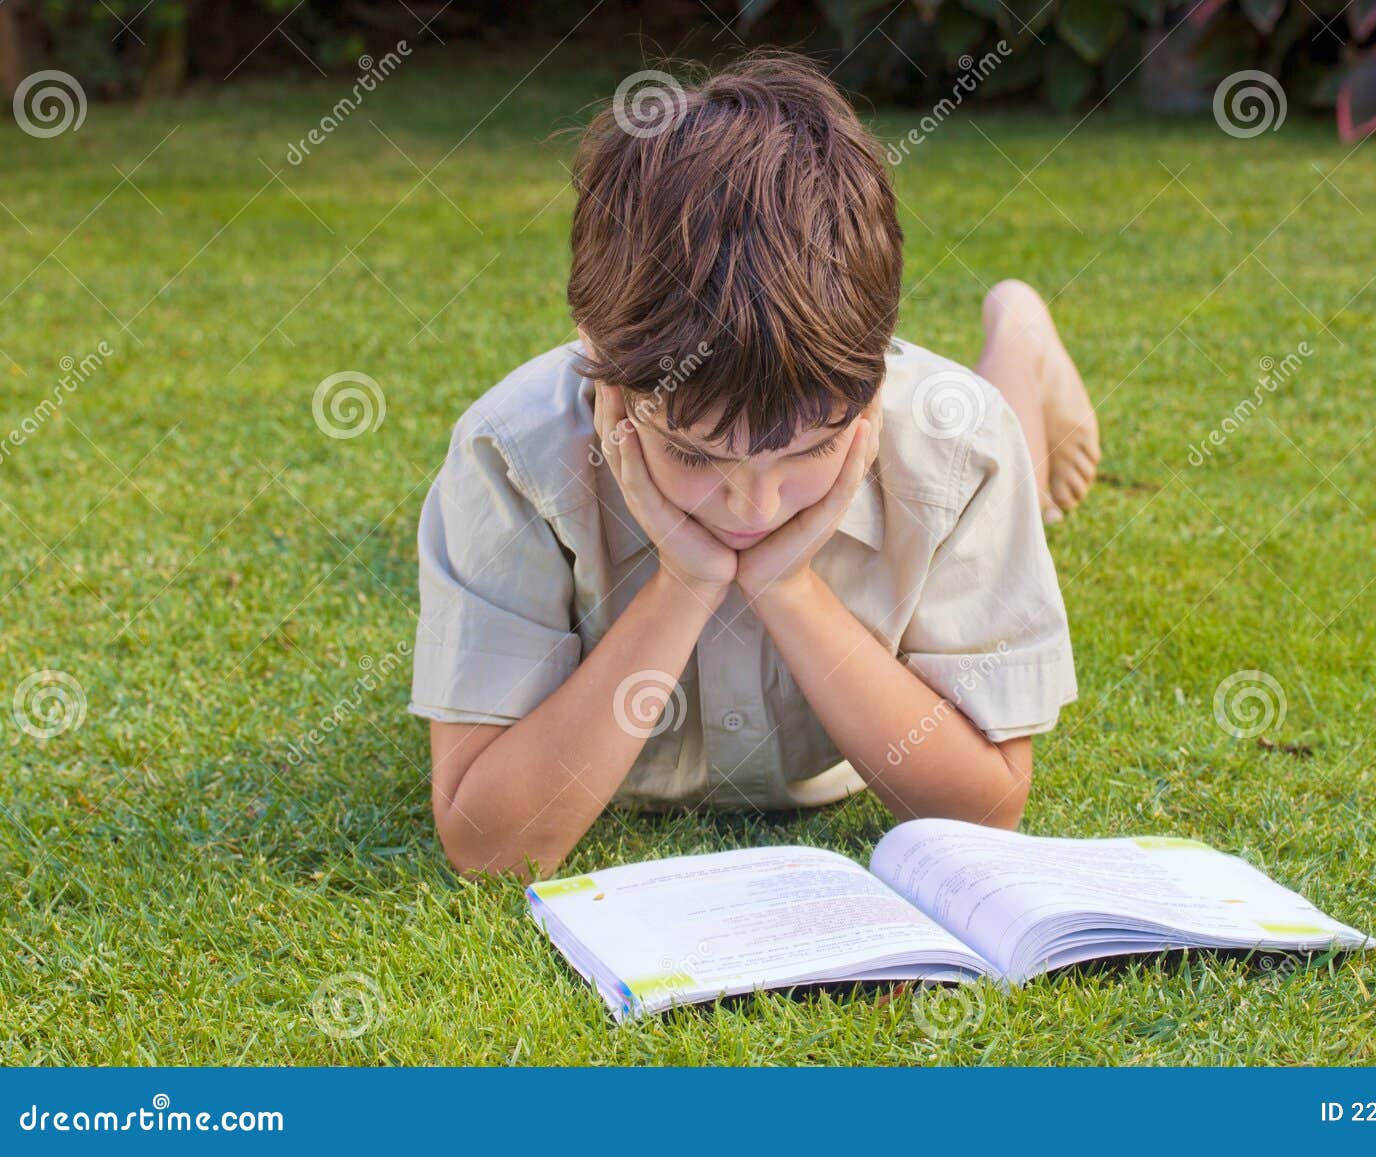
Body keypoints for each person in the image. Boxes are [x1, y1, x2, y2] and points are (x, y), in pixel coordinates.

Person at [408, 53, 1101, 881]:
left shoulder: (957, 446)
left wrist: (789, 588)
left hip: (949, 428)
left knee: (985, 432)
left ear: (876, 376)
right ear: (602, 365)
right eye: (695, 453)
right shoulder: (511, 455)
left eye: (808, 450)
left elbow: (983, 814)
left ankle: (1015, 339)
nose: (755, 503)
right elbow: (489, 848)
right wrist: (687, 584)